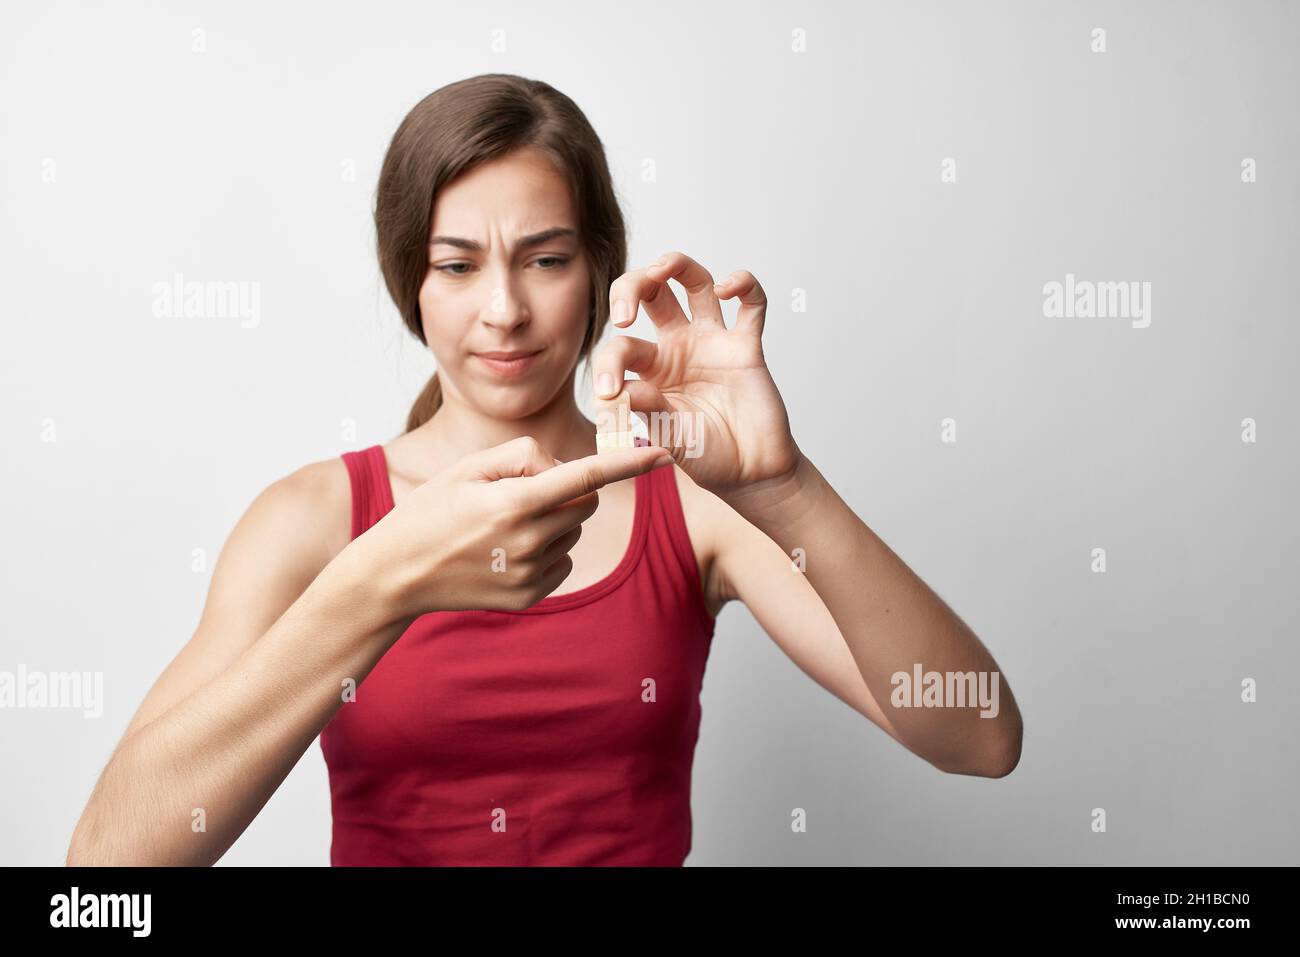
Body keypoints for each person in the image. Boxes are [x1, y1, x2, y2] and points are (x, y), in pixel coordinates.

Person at [66, 73, 1022, 867]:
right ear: (411, 282)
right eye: (456, 266)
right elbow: (104, 878)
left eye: (546, 258)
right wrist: (377, 583)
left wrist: (784, 489)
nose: (505, 310)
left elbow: (981, 738)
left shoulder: (691, 500)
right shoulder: (312, 520)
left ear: (603, 269)